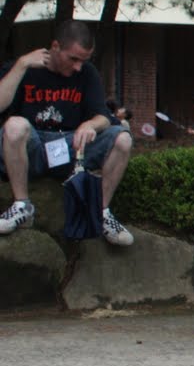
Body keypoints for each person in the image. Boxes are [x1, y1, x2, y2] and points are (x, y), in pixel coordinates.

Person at [0, 19, 135, 245]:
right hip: (31, 146)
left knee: (122, 138)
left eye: (83, 61)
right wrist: (22, 64)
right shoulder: (24, 67)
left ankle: (100, 212)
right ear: (55, 46)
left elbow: (103, 116)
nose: (77, 67)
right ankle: (22, 207)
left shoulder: (87, 74)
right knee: (14, 125)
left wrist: (90, 125)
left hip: (70, 147)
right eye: (73, 59)